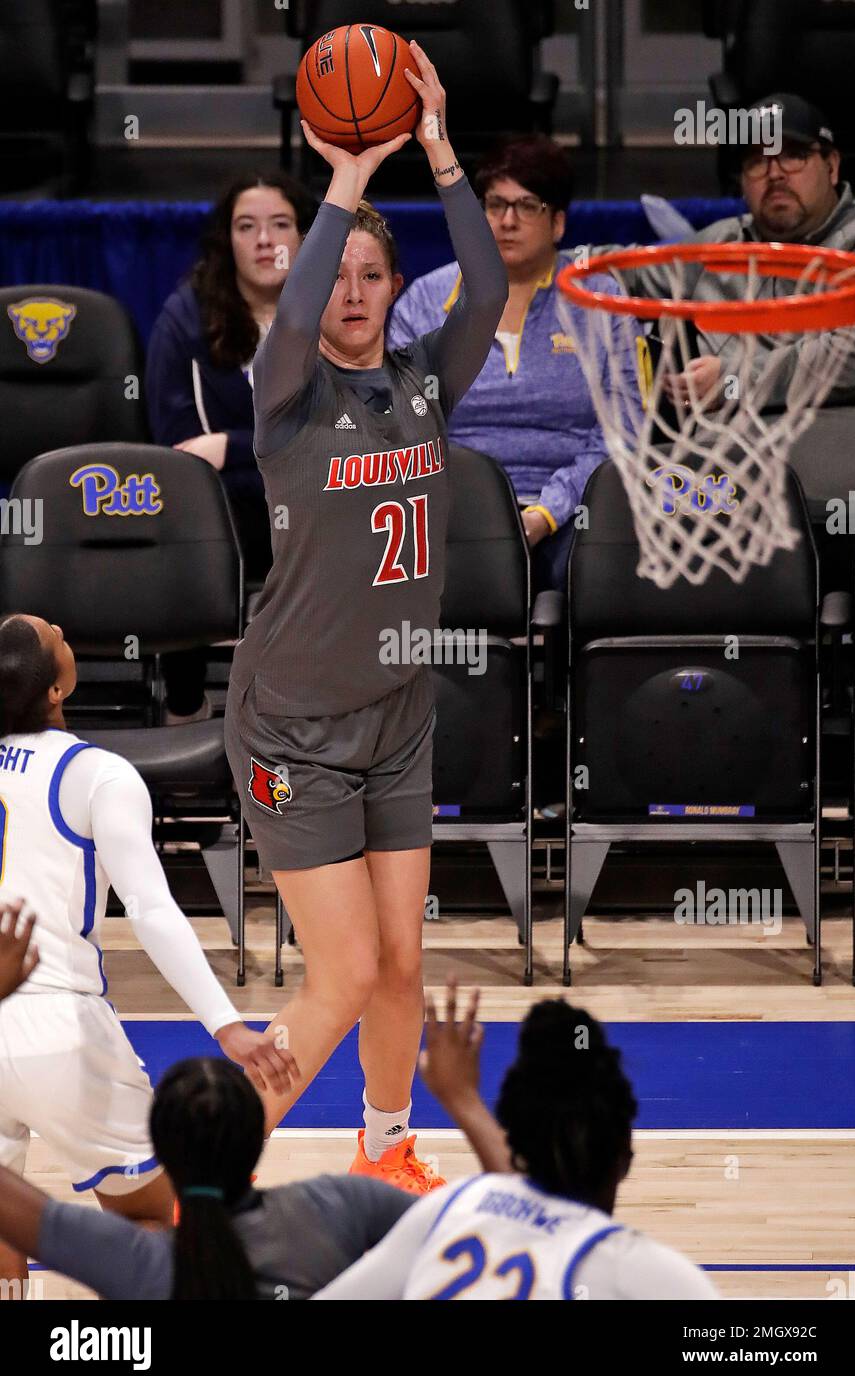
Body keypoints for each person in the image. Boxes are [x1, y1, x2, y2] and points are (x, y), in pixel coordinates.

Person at [223, 41, 508, 1194]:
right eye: (333, 272)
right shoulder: (286, 395)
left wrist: (437, 147)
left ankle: (386, 1150)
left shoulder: (427, 382)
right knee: (337, 977)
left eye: (372, 275)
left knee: (401, 963)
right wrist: (343, 180)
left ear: (398, 290)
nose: (350, 290)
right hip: (291, 727)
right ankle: (192, 1165)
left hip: (396, 715)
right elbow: (290, 318)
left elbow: (487, 289)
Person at [0, 615, 296, 1296]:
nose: (65, 628)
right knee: (158, 1225)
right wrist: (225, 1023)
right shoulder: (97, 774)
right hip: (57, 1026)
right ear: (56, 688)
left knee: (7, 1227)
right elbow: (153, 910)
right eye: (57, 636)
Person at [315, 984, 718, 1300]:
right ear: (625, 1160)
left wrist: (463, 1101)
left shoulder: (443, 1212)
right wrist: (462, 1101)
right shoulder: (644, 1274)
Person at [388, 134, 642, 591]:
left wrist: (547, 512)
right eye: (493, 205)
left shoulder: (603, 301)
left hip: (578, 512)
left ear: (558, 223)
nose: (506, 222)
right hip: (450, 512)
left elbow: (624, 431)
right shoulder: (424, 303)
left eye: (526, 206)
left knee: (601, 568)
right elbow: (401, 426)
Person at [0, 1055, 415, 1300]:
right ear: (257, 1141)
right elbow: (473, 1224)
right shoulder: (338, 1205)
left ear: (161, 1151)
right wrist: (465, 1105)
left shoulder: (129, 1257)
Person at [146, 171, 319, 721]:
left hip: (319, 498)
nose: (265, 240)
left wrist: (233, 446)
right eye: (247, 227)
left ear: (306, 236)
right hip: (223, 509)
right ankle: (185, 708)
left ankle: (316, 714)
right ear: (228, 240)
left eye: (280, 224)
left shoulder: (339, 309)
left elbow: (346, 432)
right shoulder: (186, 318)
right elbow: (183, 452)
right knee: (185, 521)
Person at [606, 94, 855, 414]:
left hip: (832, 442)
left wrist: (736, 380)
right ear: (742, 182)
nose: (775, 173)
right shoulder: (725, 242)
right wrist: (546, 261)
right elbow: (628, 270)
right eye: (758, 160)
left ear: (832, 166)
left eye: (793, 155)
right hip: (719, 446)